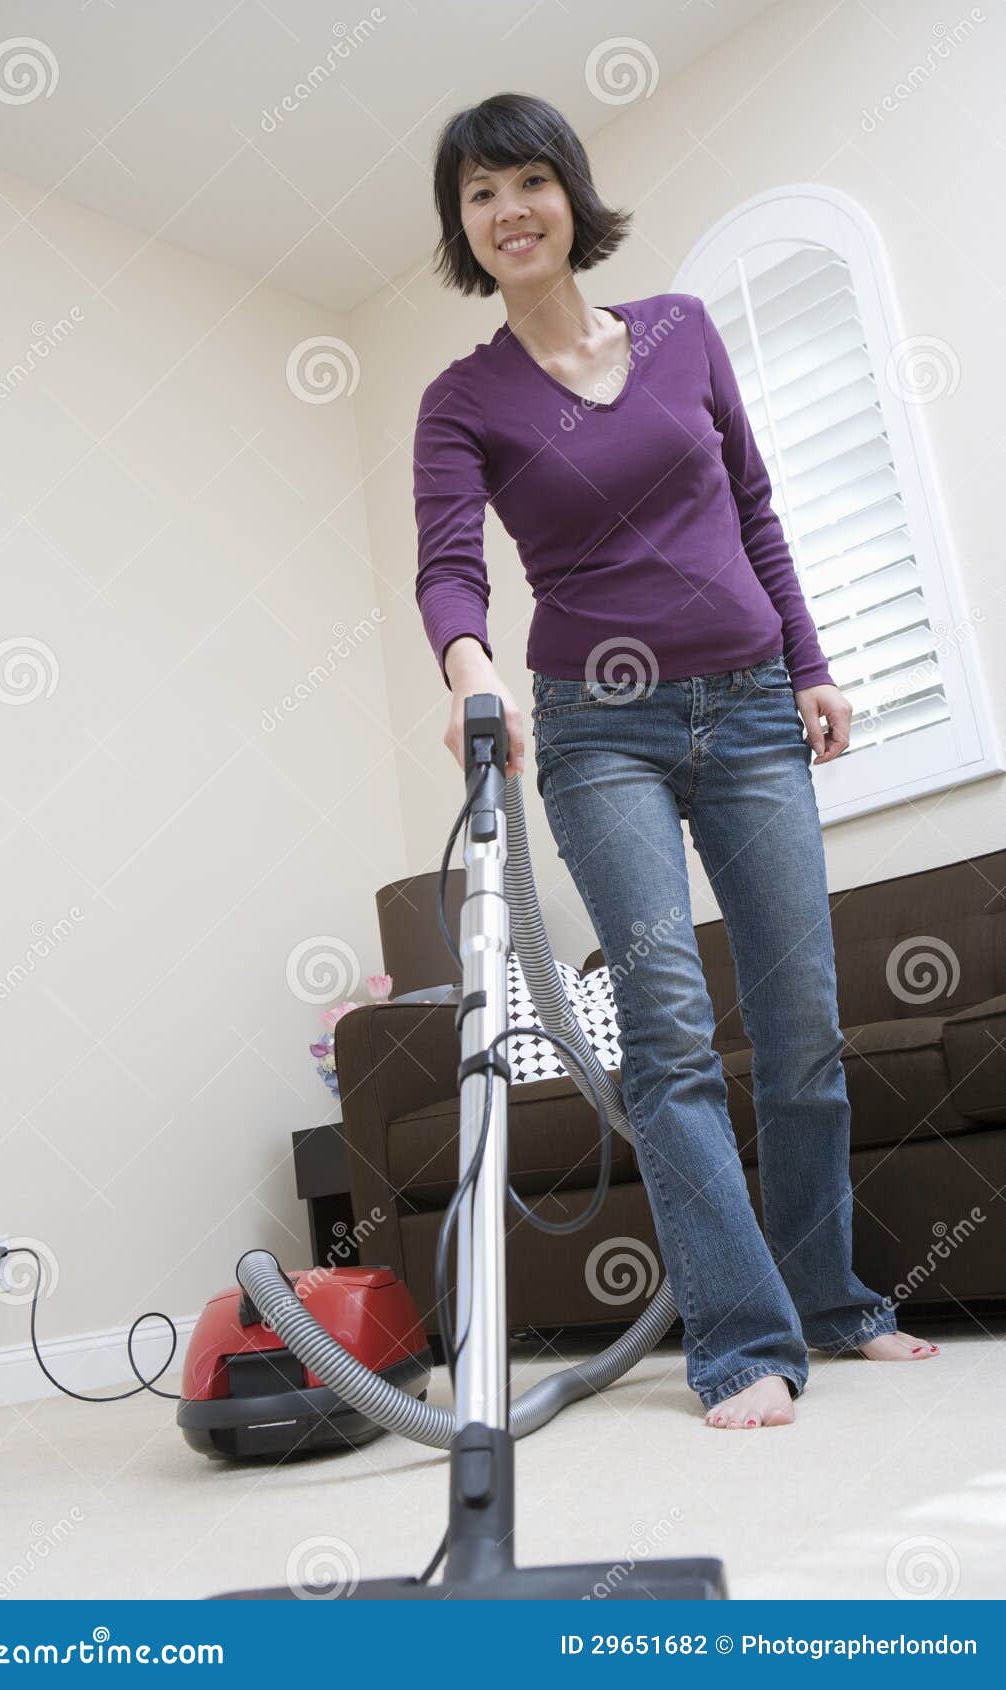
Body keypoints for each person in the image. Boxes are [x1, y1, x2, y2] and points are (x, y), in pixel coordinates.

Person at [412, 93, 938, 1429]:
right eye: (480, 193)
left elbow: (752, 503)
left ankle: (828, 1299)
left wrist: (810, 661)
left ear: (570, 196)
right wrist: (471, 670)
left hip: (753, 700)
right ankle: (743, 1340)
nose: (509, 207)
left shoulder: (682, 333)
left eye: (530, 178)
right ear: (462, 225)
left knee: (804, 1023)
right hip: (598, 727)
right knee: (670, 1034)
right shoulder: (461, 398)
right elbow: (449, 568)